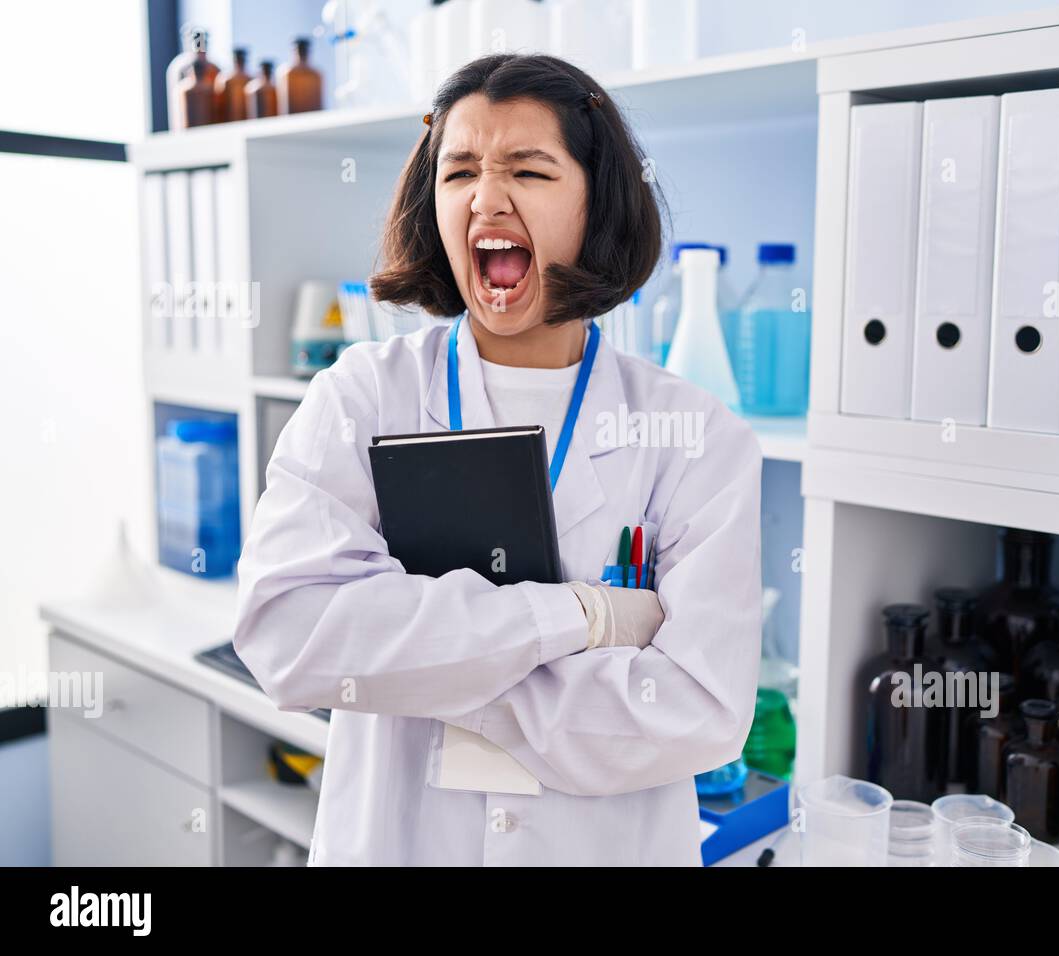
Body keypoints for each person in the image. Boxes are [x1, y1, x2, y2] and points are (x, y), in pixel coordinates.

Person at [233, 53, 762, 866]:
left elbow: (699, 708)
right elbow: (286, 635)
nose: (486, 197)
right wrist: (581, 619)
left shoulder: (697, 436)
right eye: (459, 171)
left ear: (598, 201)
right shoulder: (362, 397)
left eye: (528, 169)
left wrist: (418, 663)